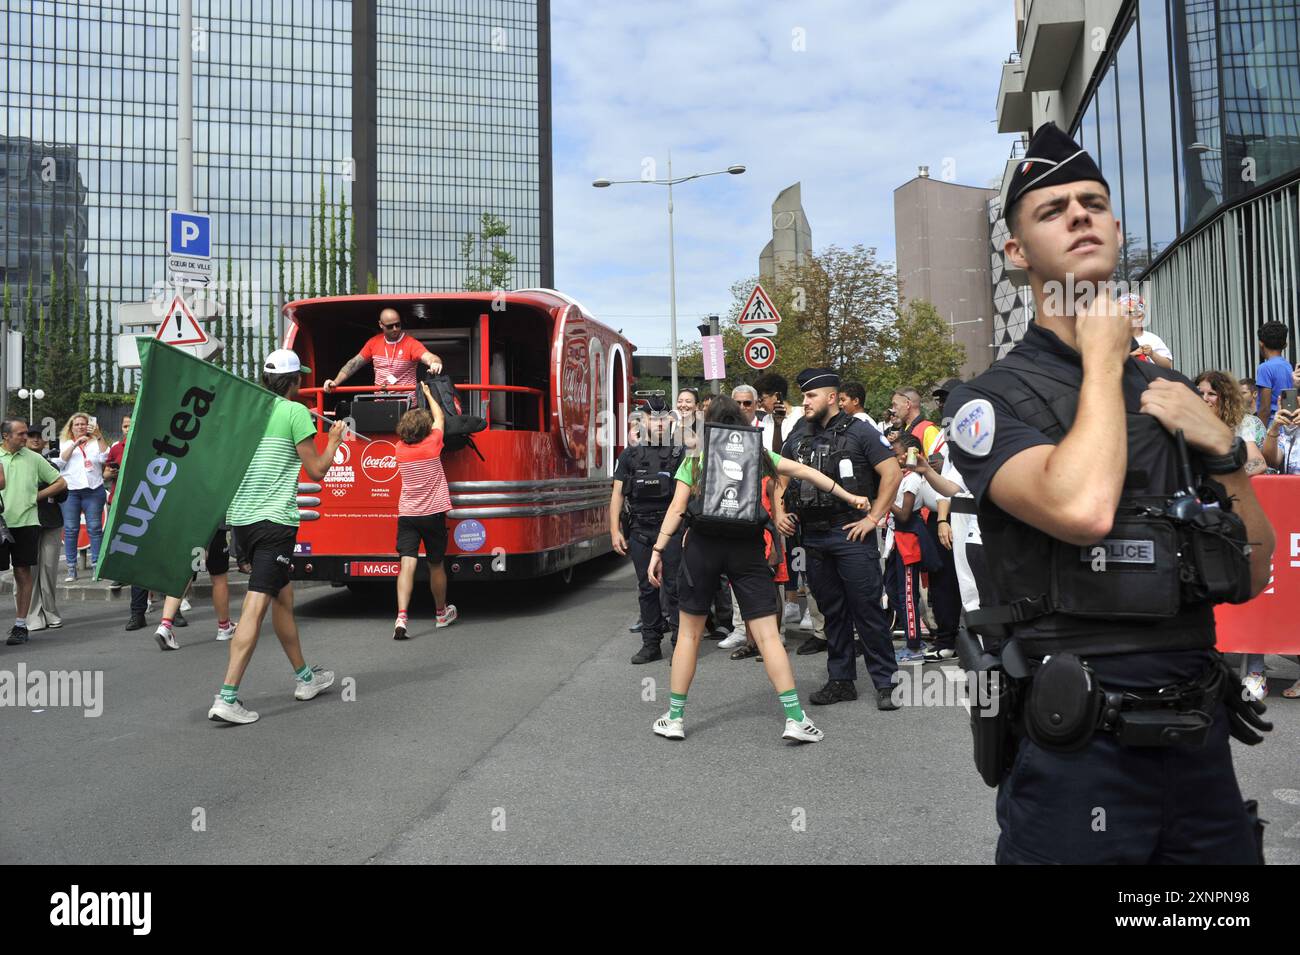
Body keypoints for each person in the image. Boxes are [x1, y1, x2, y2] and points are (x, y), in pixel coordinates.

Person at [948, 121, 1275, 864]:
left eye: (1093, 201)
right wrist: (1103, 359)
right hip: (1077, 760)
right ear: (1016, 251)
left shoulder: (1170, 392)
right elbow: (1082, 510)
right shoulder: (986, 402)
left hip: (1199, 751)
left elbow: (1251, 576)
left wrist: (1225, 455)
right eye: (1052, 208)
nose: (1078, 215)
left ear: (1117, 227)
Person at [646, 395, 872, 742]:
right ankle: (795, 718)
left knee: (689, 635)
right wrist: (849, 496)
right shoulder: (758, 454)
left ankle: (674, 717)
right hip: (748, 547)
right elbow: (805, 471)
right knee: (768, 635)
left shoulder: (695, 456)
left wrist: (658, 549)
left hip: (702, 547)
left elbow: (677, 509)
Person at [207, 349, 347, 725]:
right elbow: (317, 470)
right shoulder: (296, 412)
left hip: (242, 522)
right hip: (274, 524)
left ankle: (305, 679)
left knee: (283, 598)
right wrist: (334, 439)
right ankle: (227, 696)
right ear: (296, 381)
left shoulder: (245, 411)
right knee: (255, 608)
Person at [777, 367, 903, 710]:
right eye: (803, 395)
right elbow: (781, 477)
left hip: (850, 532)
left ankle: (886, 683)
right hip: (813, 536)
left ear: (831, 397)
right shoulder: (798, 432)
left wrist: (874, 517)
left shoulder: (860, 431)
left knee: (866, 610)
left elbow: (891, 473)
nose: (804, 401)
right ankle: (841, 680)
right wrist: (779, 512)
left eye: (811, 395)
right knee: (832, 612)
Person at [610, 396, 683, 663]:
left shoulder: (681, 453)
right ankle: (651, 644)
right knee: (647, 588)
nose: (660, 423)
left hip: (672, 528)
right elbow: (617, 494)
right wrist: (614, 530)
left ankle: (679, 645)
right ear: (644, 421)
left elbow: (689, 495)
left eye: (664, 418)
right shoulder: (629, 455)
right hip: (640, 529)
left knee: (675, 587)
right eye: (654, 418)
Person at [392, 381, 456, 640]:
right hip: (432, 514)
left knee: (406, 565)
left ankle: (401, 617)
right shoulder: (433, 445)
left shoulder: (399, 450)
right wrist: (429, 394)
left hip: (407, 515)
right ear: (425, 429)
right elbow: (440, 416)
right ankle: (441, 614)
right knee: (435, 565)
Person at [0, 418, 68, 645]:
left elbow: (60, 483)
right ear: (6, 436)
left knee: (23, 574)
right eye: (21, 434)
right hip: (1, 524)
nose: (25, 437)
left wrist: (34, 497)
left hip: (27, 523)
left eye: (26, 433)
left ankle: (21, 625)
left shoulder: (34, 458)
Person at [322, 307, 444, 394]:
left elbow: (430, 357)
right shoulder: (373, 342)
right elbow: (354, 364)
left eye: (398, 325)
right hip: (380, 403)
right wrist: (335, 382)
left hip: (408, 405)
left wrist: (435, 362)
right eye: (390, 326)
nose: (395, 329)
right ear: (381, 325)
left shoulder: (411, 343)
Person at [153, 528, 236, 650]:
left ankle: (165, 625)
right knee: (219, 578)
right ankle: (224, 627)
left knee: (185, 577)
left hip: (192, 529)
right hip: (214, 530)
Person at [884, 434, 928, 664]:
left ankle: (914, 647)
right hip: (896, 542)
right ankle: (915, 636)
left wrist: (885, 498)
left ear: (909, 453)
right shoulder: (901, 477)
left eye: (896, 451)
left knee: (907, 594)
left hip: (908, 541)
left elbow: (904, 514)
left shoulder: (912, 479)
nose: (893, 455)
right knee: (891, 588)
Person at [57, 412, 109, 581]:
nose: (80, 427)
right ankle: (71, 569)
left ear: (89, 426)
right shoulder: (66, 442)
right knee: (71, 530)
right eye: (77, 424)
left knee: (95, 528)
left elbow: (105, 457)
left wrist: (99, 435)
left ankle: (97, 567)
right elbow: (61, 462)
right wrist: (74, 445)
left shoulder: (95, 441)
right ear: (71, 427)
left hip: (93, 490)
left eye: (83, 424)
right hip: (71, 490)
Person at [24, 432, 65, 632]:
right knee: (28, 571)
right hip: (24, 521)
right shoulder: (18, 463)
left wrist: (47, 489)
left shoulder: (51, 465)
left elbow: (63, 493)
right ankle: (31, 616)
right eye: (31, 436)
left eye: (39, 437)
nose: (35, 440)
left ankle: (50, 612)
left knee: (48, 570)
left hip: (51, 521)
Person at [1194, 371, 1267, 477]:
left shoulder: (1241, 422)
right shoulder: (1191, 423)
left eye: (1211, 394)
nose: (1204, 398)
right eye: (1200, 393)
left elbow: (1259, 463)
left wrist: (1225, 478)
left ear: (1226, 399)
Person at [1118, 293, 1174, 369]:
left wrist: (1152, 354)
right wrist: (1129, 357)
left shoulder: (1152, 339)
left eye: (1128, 313)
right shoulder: (1114, 340)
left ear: (1140, 316)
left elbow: (1168, 365)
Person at [1254, 320, 1291, 422]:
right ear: (1285, 345)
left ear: (1261, 344)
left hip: (1273, 425)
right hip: (1288, 424)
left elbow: (1265, 409)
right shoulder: (1288, 366)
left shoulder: (1264, 368)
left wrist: (1261, 435)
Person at [1236, 377, 1268, 454]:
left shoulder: (1262, 416)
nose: (1239, 397)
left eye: (1243, 393)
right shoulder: (1238, 416)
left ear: (1255, 394)